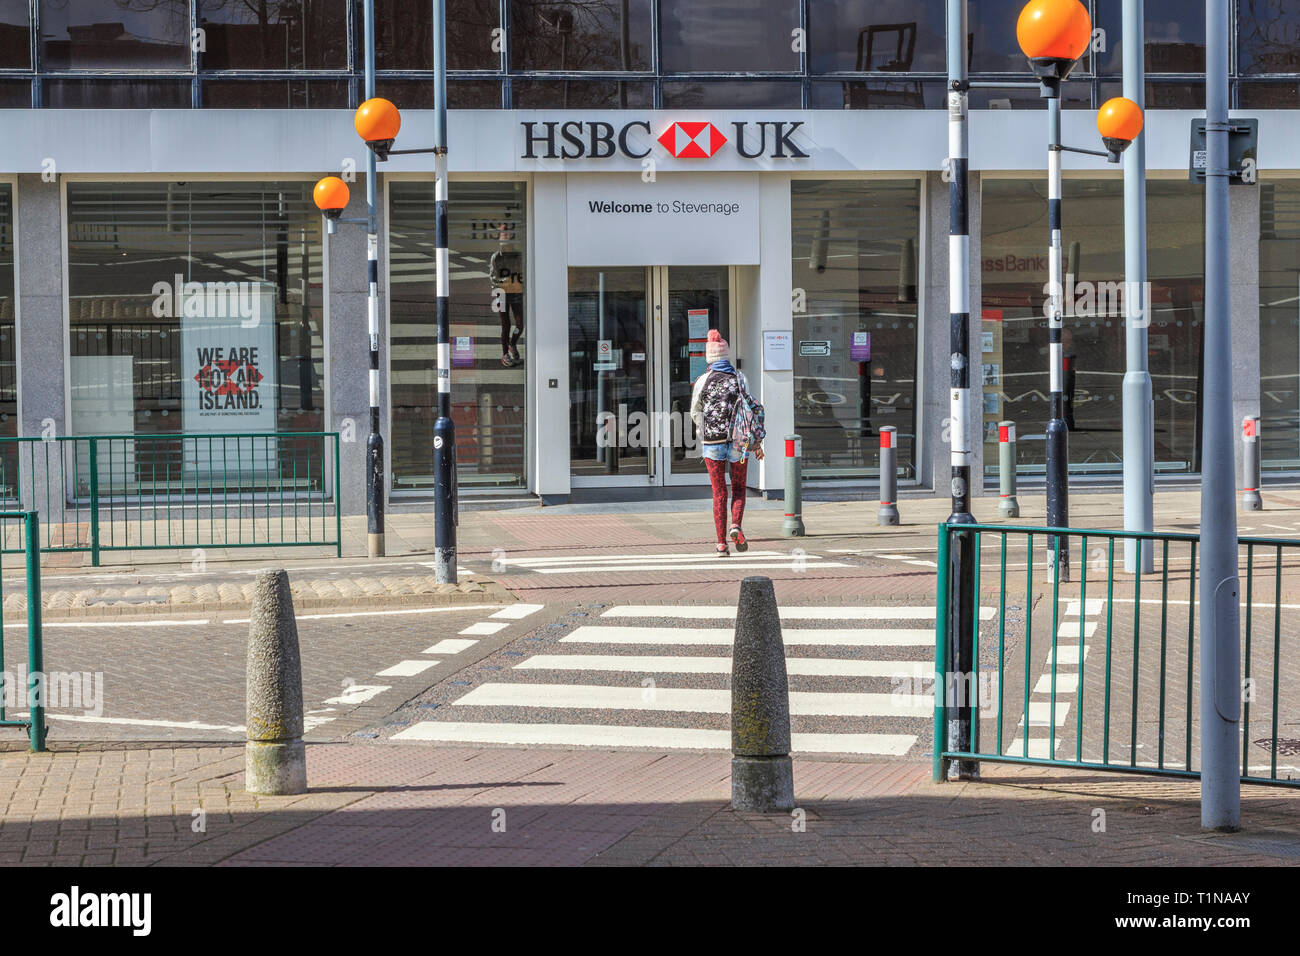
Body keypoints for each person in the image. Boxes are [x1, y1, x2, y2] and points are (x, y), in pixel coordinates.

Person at [689, 329, 764, 556]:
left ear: (709, 357)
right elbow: (748, 410)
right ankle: (736, 526)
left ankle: (721, 544)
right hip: (739, 442)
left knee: (719, 492)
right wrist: (755, 442)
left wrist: (704, 433)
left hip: (713, 443)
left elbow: (695, 411)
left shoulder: (702, 381)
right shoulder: (740, 378)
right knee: (739, 488)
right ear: (726, 355)